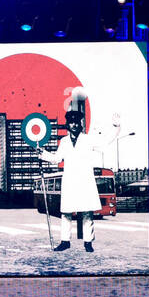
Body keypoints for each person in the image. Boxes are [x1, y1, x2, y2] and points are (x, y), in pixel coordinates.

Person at [38, 87, 121, 252]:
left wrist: (116, 126)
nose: (74, 124)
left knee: (87, 213)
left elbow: (105, 141)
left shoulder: (88, 140)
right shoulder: (64, 142)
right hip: (69, 181)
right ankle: (65, 241)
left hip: (85, 180)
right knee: (66, 213)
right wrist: (43, 154)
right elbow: (56, 158)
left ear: (81, 124)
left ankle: (88, 243)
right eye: (71, 122)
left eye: (77, 122)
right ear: (68, 125)